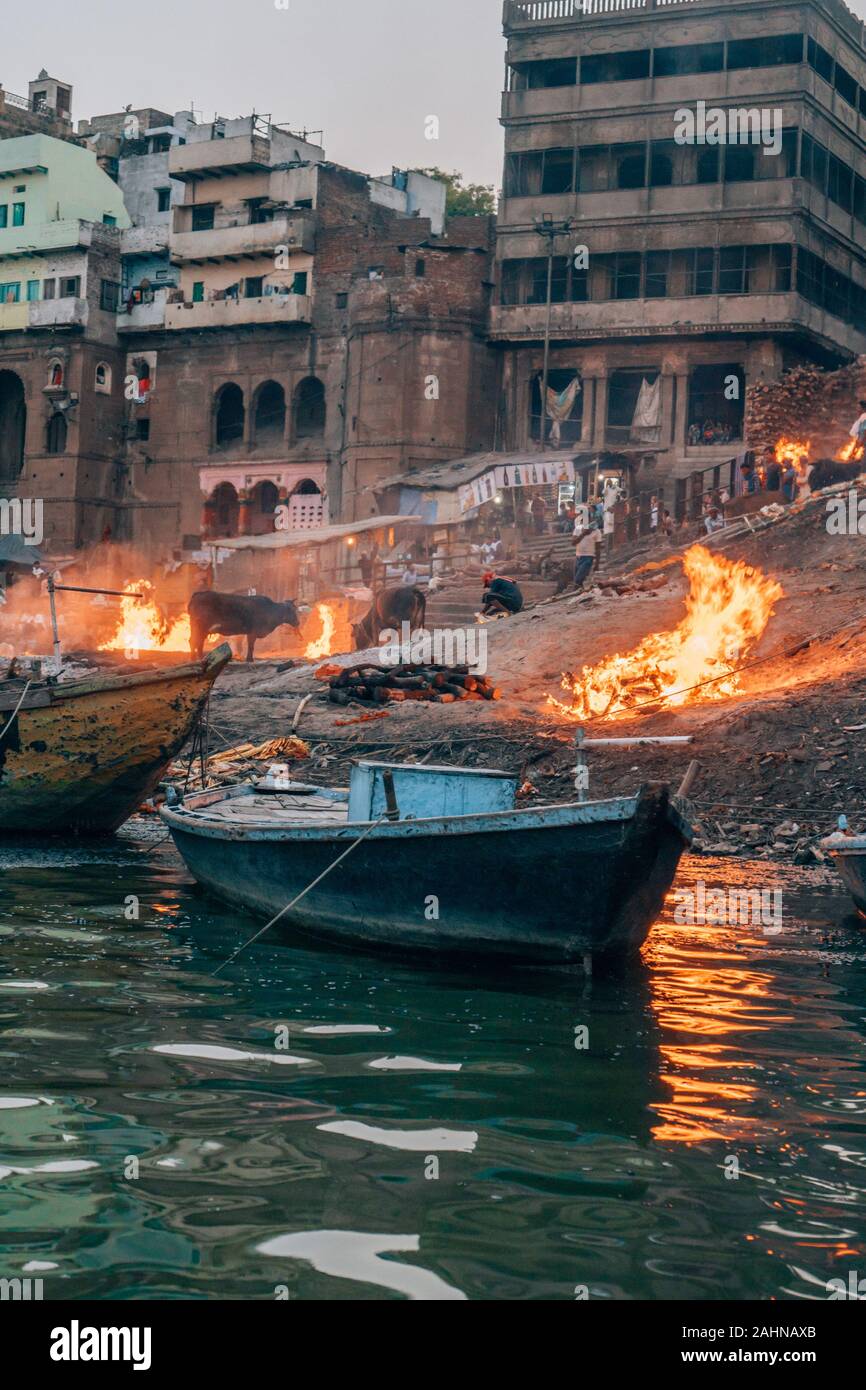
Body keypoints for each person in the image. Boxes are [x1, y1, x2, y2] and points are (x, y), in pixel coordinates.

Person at [573, 525, 601, 589]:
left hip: (588, 558)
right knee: (578, 581)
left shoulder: (597, 531)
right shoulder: (577, 529)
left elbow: (598, 549)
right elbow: (573, 543)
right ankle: (581, 595)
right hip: (578, 557)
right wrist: (583, 534)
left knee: (577, 581)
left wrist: (597, 564)